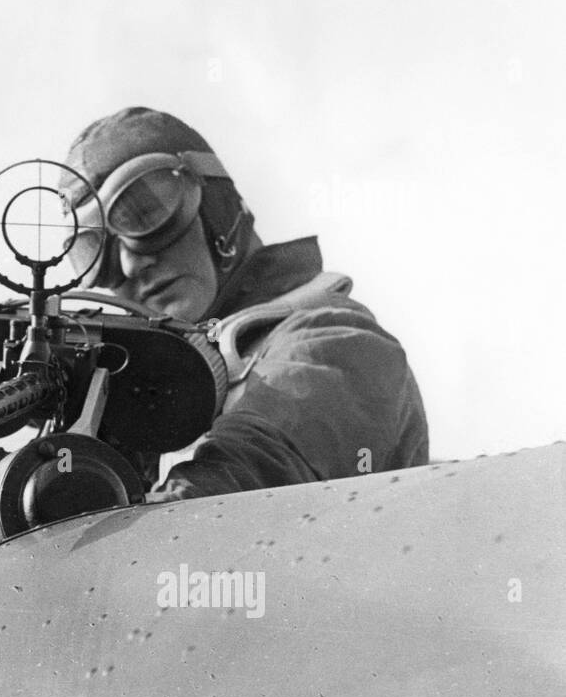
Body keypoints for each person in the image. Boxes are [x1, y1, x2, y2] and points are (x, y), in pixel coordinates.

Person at [60, 106, 428, 501]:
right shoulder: (159, 393)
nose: (132, 263)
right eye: (96, 250)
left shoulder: (335, 342)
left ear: (217, 209)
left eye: (147, 213)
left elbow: (239, 481)